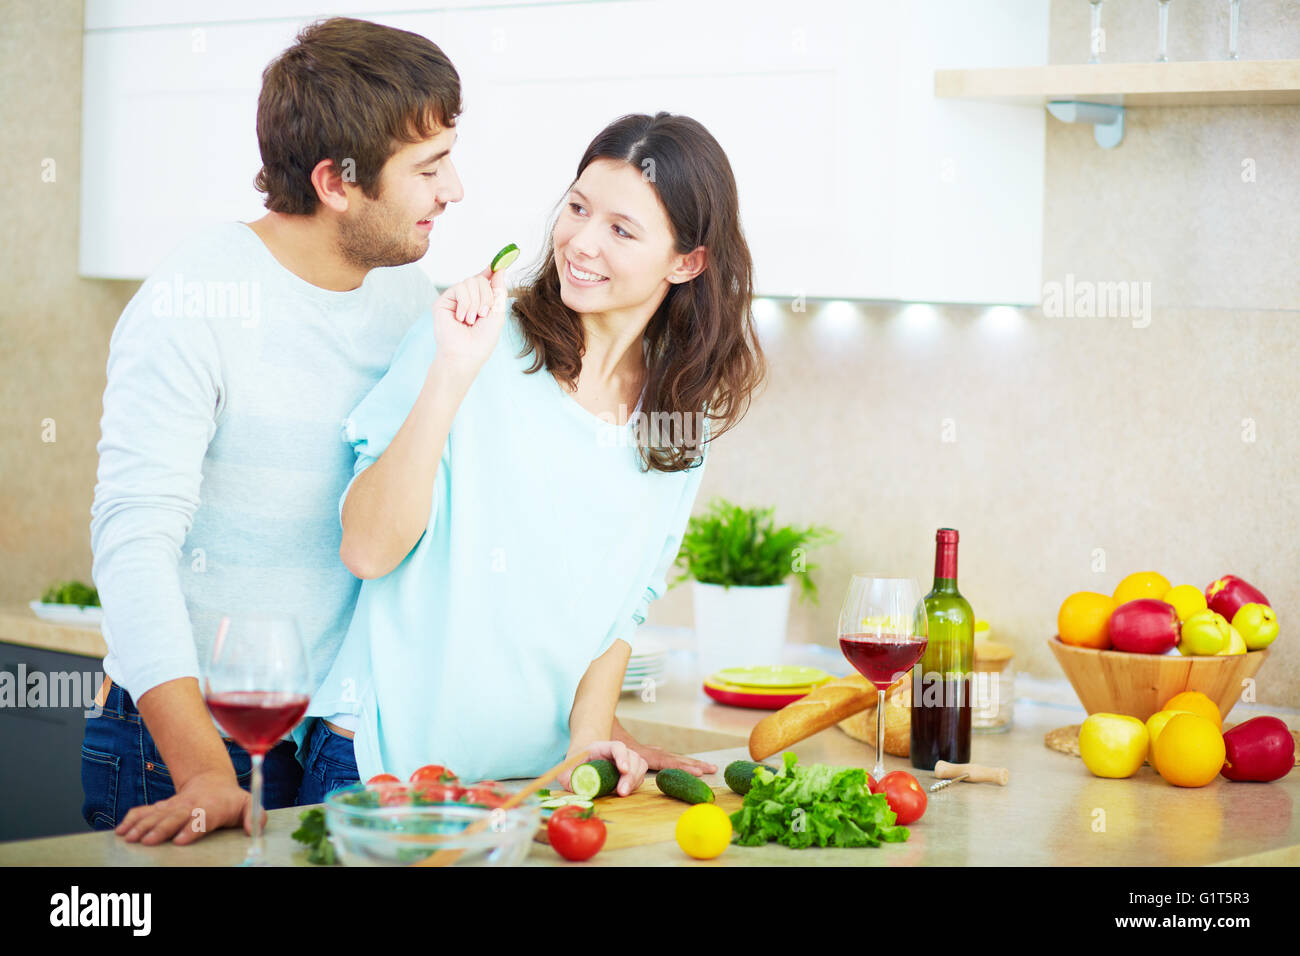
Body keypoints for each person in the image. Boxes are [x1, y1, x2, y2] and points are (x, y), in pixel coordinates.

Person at [82, 17, 704, 846]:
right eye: (429, 168)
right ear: (338, 182)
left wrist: (593, 727)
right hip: (186, 738)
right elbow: (132, 542)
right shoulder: (194, 302)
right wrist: (201, 767)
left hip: (324, 740)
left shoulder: (416, 304)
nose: (454, 190)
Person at [299, 111, 766, 800]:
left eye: (621, 229)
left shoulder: (676, 417)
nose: (581, 242)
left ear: (687, 261)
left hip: (531, 788)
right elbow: (368, 549)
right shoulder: (476, 336)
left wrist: (589, 739)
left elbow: (622, 613)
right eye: (577, 208)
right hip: (384, 773)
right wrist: (454, 372)